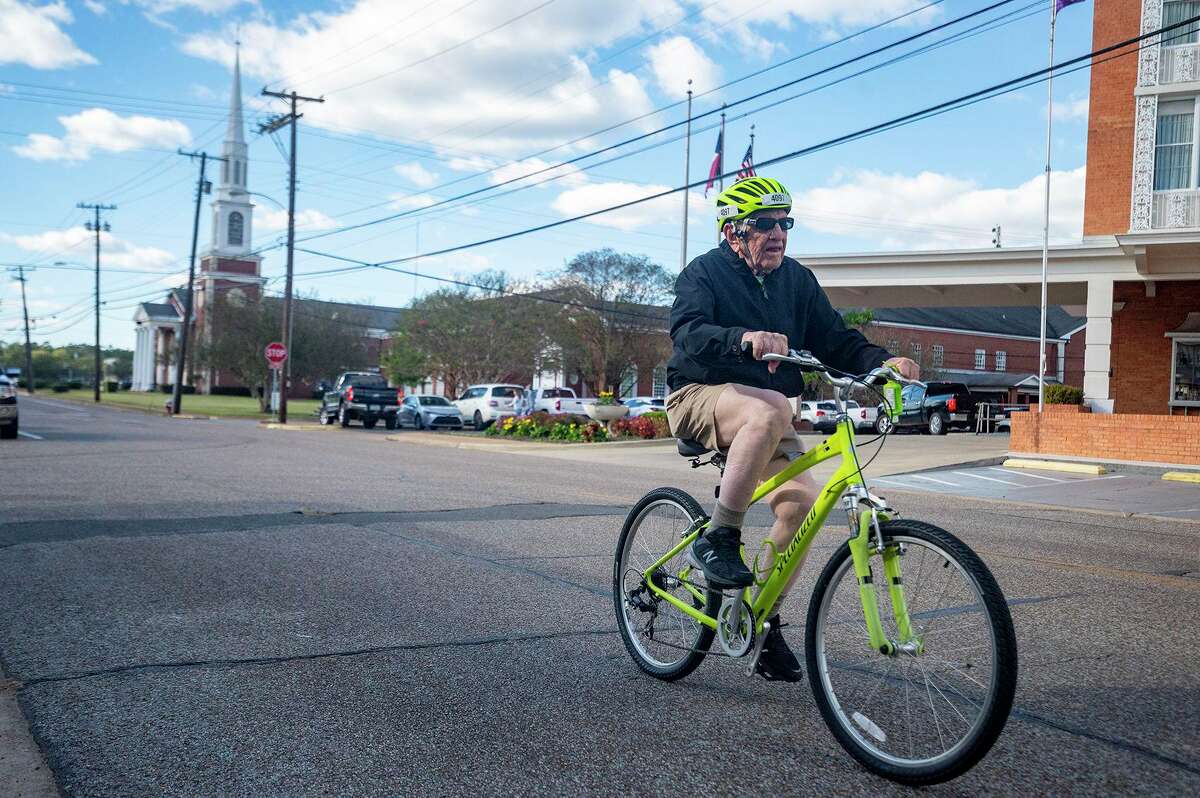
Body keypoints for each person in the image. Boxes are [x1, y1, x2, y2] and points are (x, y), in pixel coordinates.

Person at [666, 176, 920, 682]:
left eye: (785, 223)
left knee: (801, 502)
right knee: (772, 408)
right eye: (764, 224)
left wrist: (882, 362)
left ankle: (759, 622)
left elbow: (835, 339)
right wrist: (743, 340)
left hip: (766, 409)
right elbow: (688, 334)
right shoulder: (704, 273)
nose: (777, 233)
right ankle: (719, 536)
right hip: (699, 396)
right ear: (733, 232)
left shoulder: (796, 280)